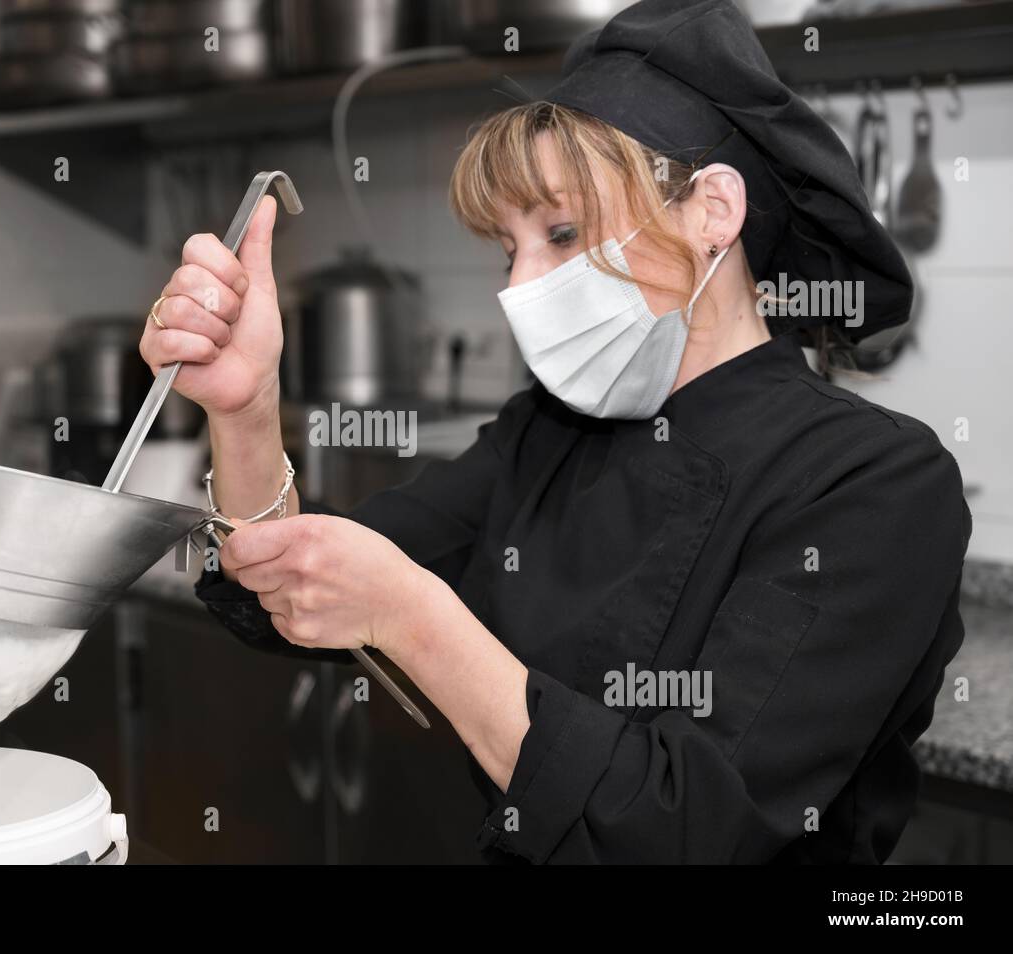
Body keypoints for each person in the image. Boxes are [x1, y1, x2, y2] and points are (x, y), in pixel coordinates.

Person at [137, 0, 970, 863]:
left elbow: (681, 827)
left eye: (562, 232)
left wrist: (414, 616)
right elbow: (295, 597)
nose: (521, 285)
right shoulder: (548, 431)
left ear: (713, 212)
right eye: (511, 247)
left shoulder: (874, 481)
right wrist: (245, 411)